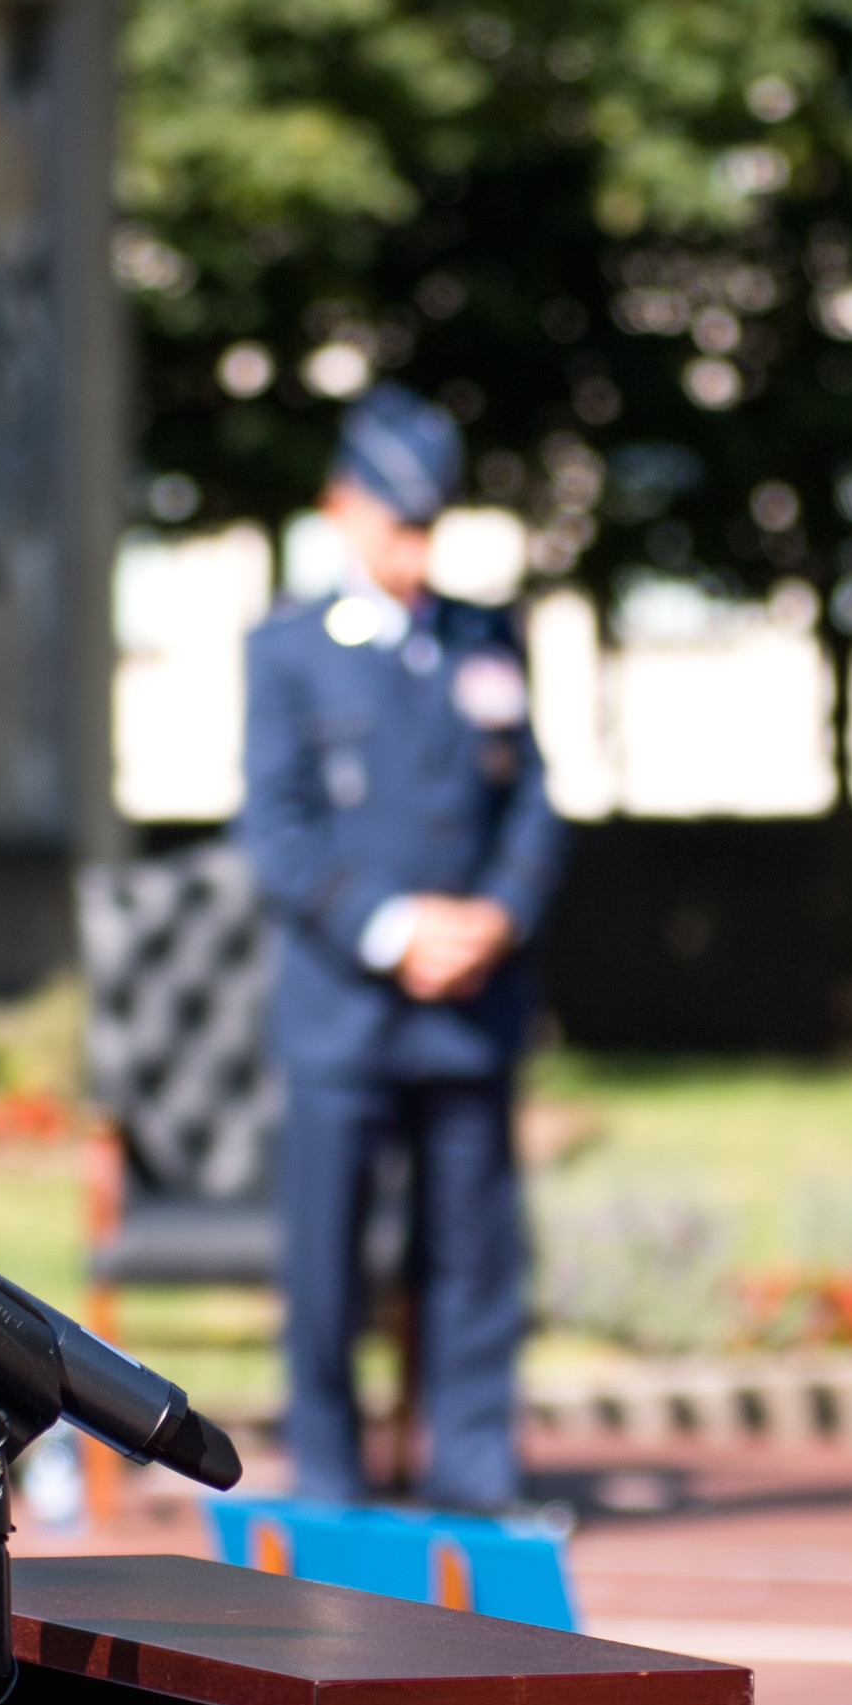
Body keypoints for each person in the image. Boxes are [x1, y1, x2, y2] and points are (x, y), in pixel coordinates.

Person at [236, 390, 564, 1509]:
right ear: (341, 509)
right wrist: (391, 929)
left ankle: (471, 1469)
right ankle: (330, 1476)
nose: (412, 546)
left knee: (475, 1254)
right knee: (327, 1262)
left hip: (471, 999)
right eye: (393, 520)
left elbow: (533, 804)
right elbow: (275, 832)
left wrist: (499, 914)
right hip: (348, 1004)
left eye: (428, 523)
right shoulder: (286, 650)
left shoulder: (485, 636)